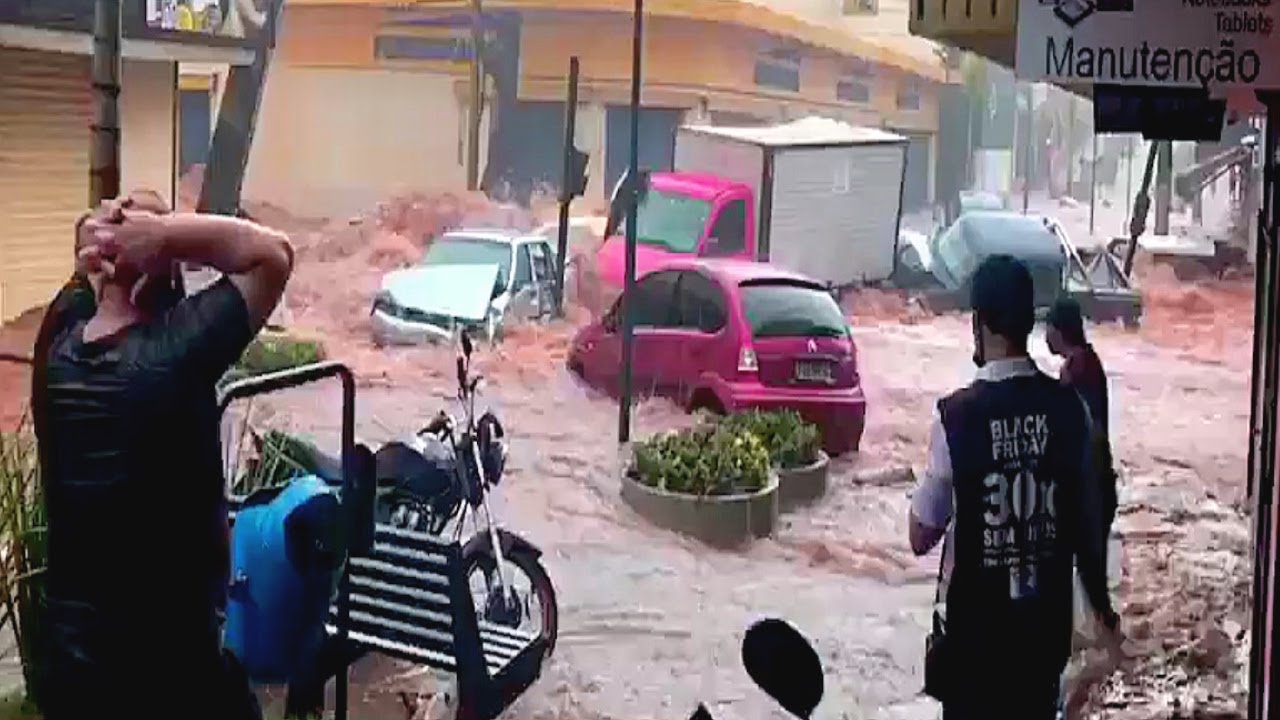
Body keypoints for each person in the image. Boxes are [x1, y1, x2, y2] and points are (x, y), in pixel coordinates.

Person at [39, 199, 293, 720]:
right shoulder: (175, 353)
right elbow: (274, 254)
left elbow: (78, 288)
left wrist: (109, 241)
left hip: (70, 666)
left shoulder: (57, 354)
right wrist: (168, 237)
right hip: (167, 676)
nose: (134, 220)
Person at [908, 255, 1119, 720]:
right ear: (1029, 322)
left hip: (974, 653)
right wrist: (1103, 614)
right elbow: (1088, 528)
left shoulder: (955, 417)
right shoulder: (1070, 411)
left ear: (979, 323)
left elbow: (920, 536)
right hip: (1041, 647)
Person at [1046, 297, 1119, 540]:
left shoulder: (1075, 369)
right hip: (1097, 483)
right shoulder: (1088, 360)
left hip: (1087, 489)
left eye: (1048, 327)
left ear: (1057, 331)